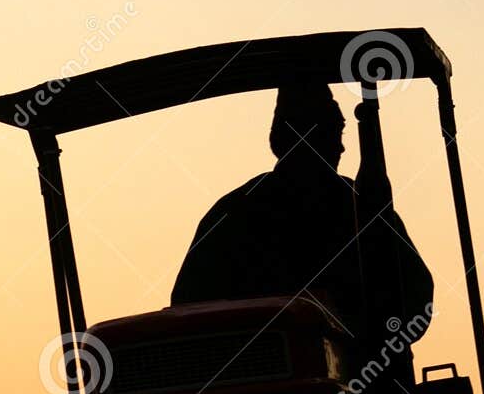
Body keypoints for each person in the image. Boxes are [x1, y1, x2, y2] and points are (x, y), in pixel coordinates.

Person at [170, 82, 433, 361]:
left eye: (338, 131)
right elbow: (190, 313)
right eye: (328, 133)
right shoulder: (234, 215)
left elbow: (417, 301)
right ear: (286, 139)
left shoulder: (365, 206)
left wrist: (364, 333)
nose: (341, 146)